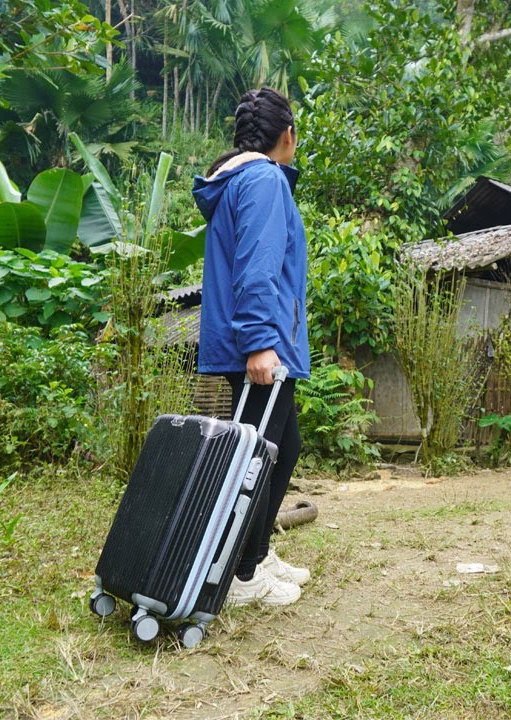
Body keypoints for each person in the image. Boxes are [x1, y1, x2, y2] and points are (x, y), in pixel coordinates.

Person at [192, 87, 310, 607]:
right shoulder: (262, 179)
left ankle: (257, 553)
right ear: (288, 135)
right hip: (257, 347)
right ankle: (242, 575)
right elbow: (258, 267)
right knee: (259, 457)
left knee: (283, 447)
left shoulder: (241, 179)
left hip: (251, 342)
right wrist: (262, 343)